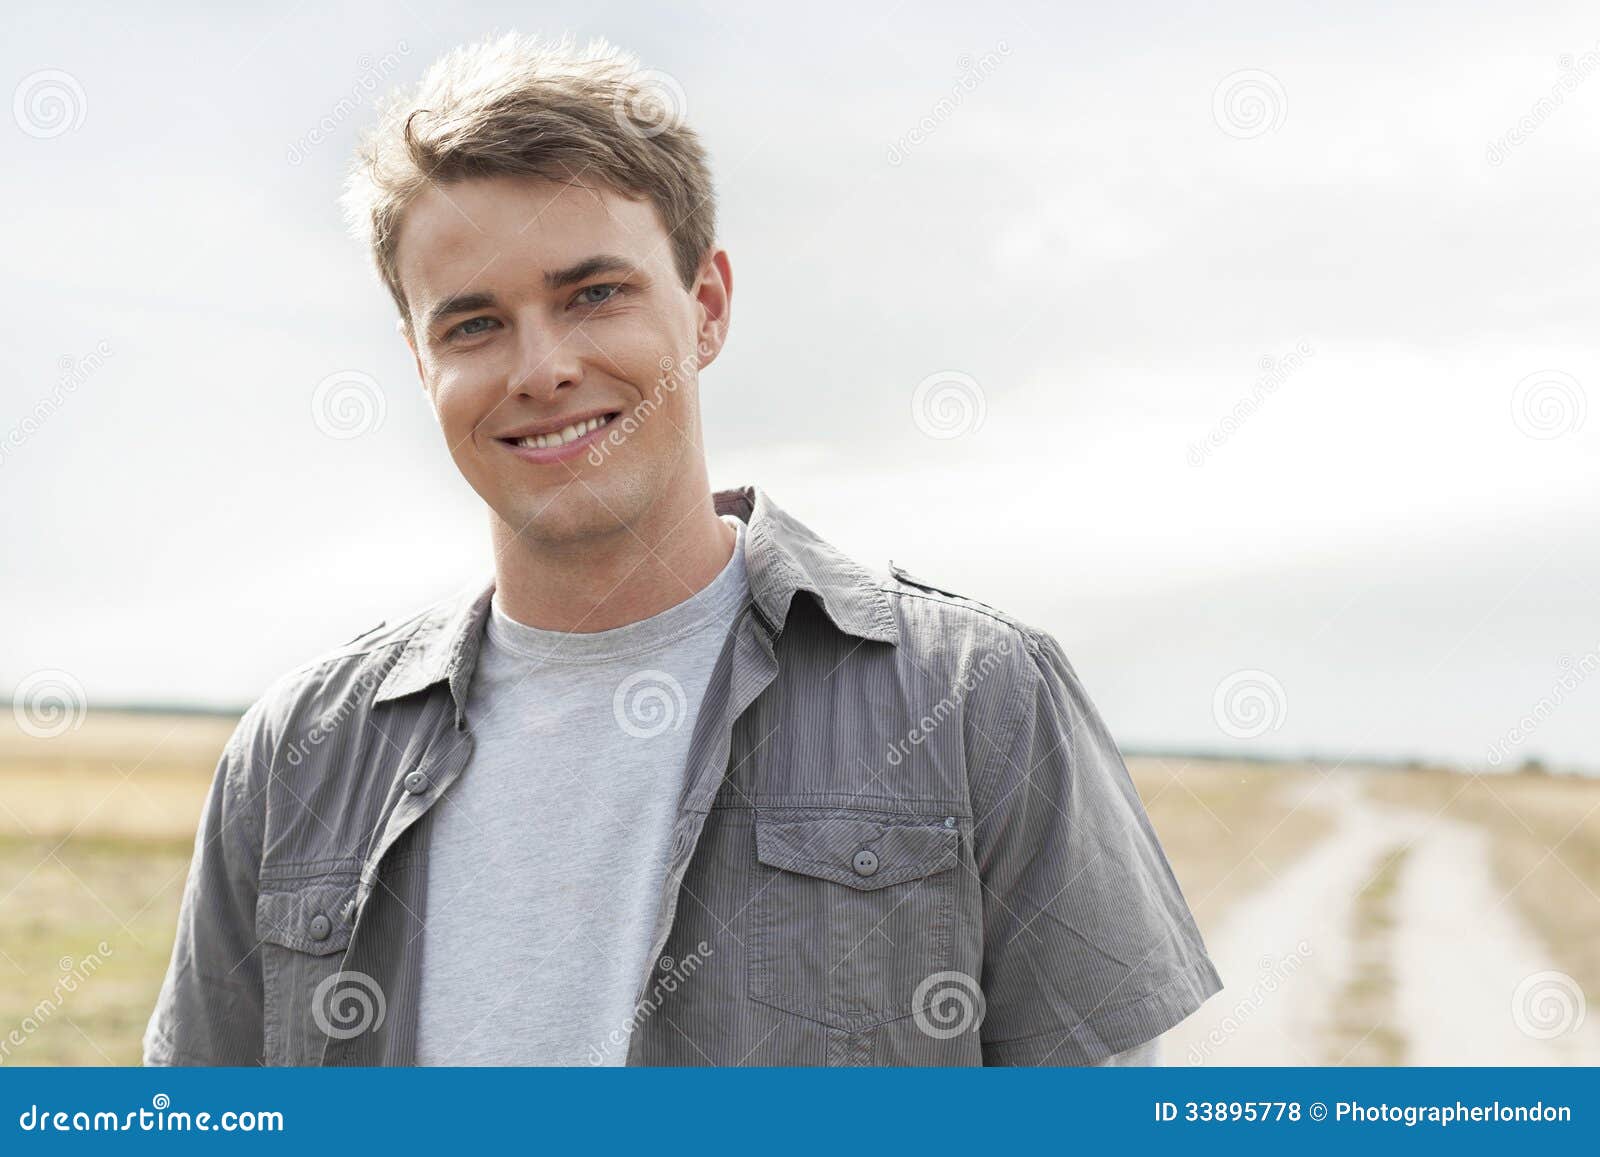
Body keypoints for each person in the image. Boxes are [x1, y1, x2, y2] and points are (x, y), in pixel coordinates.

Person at [142, 32, 1220, 1067]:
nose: (542, 366)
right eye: (472, 324)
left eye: (594, 294)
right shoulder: (296, 756)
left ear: (704, 307)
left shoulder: (981, 698)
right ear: (420, 362)